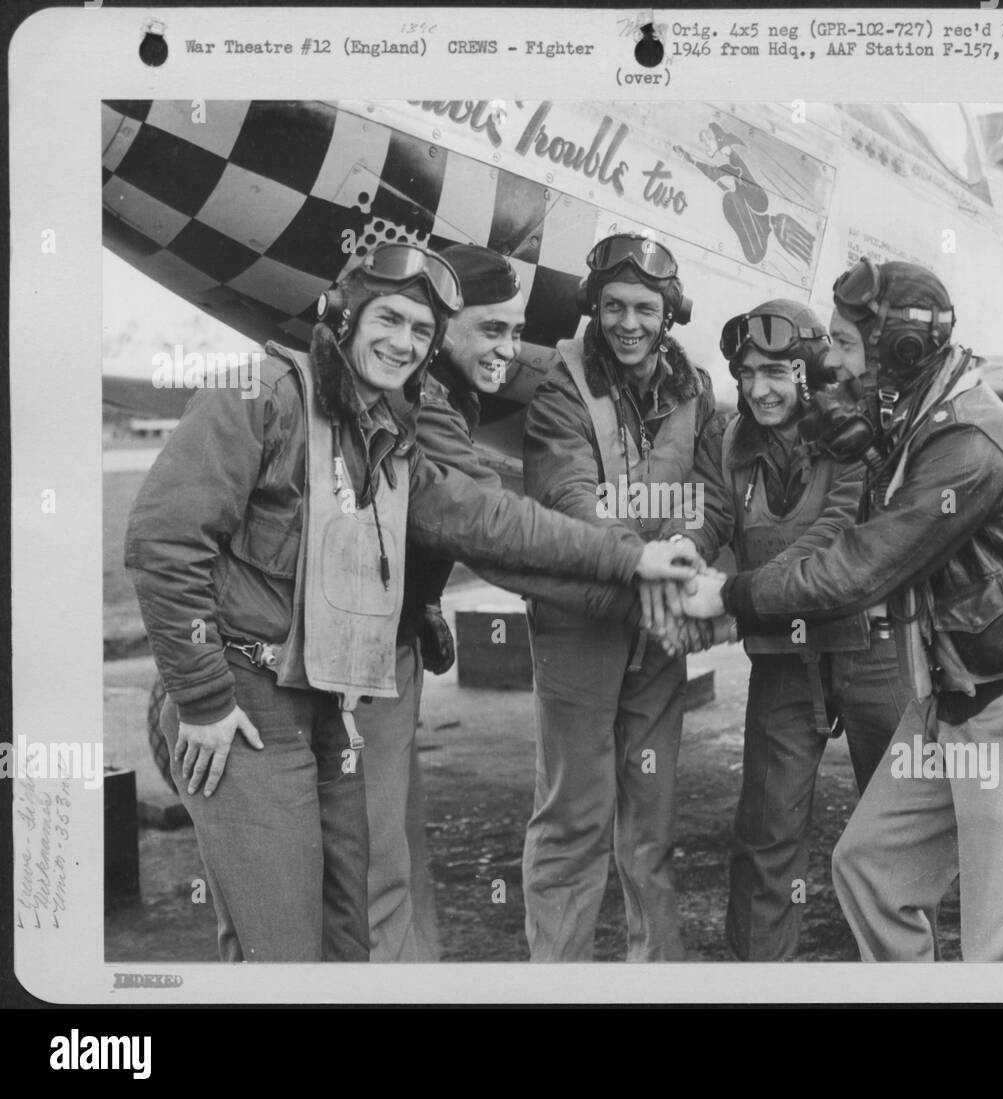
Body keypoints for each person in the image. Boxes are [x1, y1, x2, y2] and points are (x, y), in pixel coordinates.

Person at [127, 242, 699, 963]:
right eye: (388, 319)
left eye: (420, 332)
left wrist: (634, 556)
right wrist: (204, 698)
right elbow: (162, 539)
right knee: (282, 946)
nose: (401, 342)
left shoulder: (389, 438)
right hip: (249, 703)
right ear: (344, 314)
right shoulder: (262, 392)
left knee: (347, 938)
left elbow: (491, 518)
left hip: (331, 707)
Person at [682, 259, 1003, 962]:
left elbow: (860, 565)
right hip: (961, 693)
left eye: (847, 345)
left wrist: (731, 595)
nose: (831, 361)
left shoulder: (968, 442)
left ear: (902, 351)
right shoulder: (914, 426)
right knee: (871, 875)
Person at [682, 299, 909, 960]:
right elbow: (710, 514)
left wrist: (731, 597)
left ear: (809, 369)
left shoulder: (852, 432)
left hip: (874, 650)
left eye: (777, 372)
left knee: (894, 836)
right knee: (764, 838)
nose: (758, 389)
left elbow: (829, 540)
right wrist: (680, 556)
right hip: (786, 659)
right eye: (747, 373)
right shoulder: (732, 440)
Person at [520, 232, 716, 961]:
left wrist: (689, 549)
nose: (628, 323)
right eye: (613, 307)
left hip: (657, 628)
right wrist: (644, 563)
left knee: (650, 827)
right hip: (582, 626)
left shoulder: (695, 387)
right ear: (593, 310)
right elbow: (569, 494)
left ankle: (654, 977)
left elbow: (714, 492)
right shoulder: (560, 388)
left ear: (668, 314)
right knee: (572, 820)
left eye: (644, 307)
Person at [361, 243, 529, 962]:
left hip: (390, 642)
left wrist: (425, 597)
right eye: (494, 330)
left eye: (518, 332)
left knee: (399, 839)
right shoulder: (425, 401)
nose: (510, 350)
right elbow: (484, 519)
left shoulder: (451, 387)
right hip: (351, 656)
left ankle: (417, 973)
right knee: (376, 858)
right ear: (447, 324)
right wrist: (629, 571)